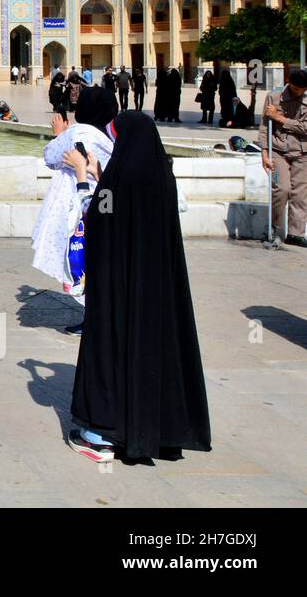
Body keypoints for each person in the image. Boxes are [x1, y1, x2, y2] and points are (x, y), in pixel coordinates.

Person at [64, 111, 211, 463]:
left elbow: (93, 217)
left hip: (119, 288)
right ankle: (155, 432)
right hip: (155, 289)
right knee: (151, 353)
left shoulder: (120, 179)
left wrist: (85, 177)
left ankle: (100, 435)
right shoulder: (162, 175)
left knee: (112, 350)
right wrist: (105, 177)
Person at [33, 86, 117, 334]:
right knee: (98, 259)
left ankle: (94, 319)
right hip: (105, 202)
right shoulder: (109, 138)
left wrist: (59, 134)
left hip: (80, 206)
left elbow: (50, 157)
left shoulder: (78, 133)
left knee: (81, 261)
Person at [259, 68, 307, 247]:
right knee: (282, 189)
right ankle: (272, 226)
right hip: (279, 150)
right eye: (295, 89)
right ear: (289, 83)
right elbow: (264, 127)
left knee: (300, 195)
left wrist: (279, 118)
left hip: (302, 152)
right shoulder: (274, 96)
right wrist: (264, 153)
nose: (299, 93)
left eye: (303, 90)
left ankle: (295, 233)